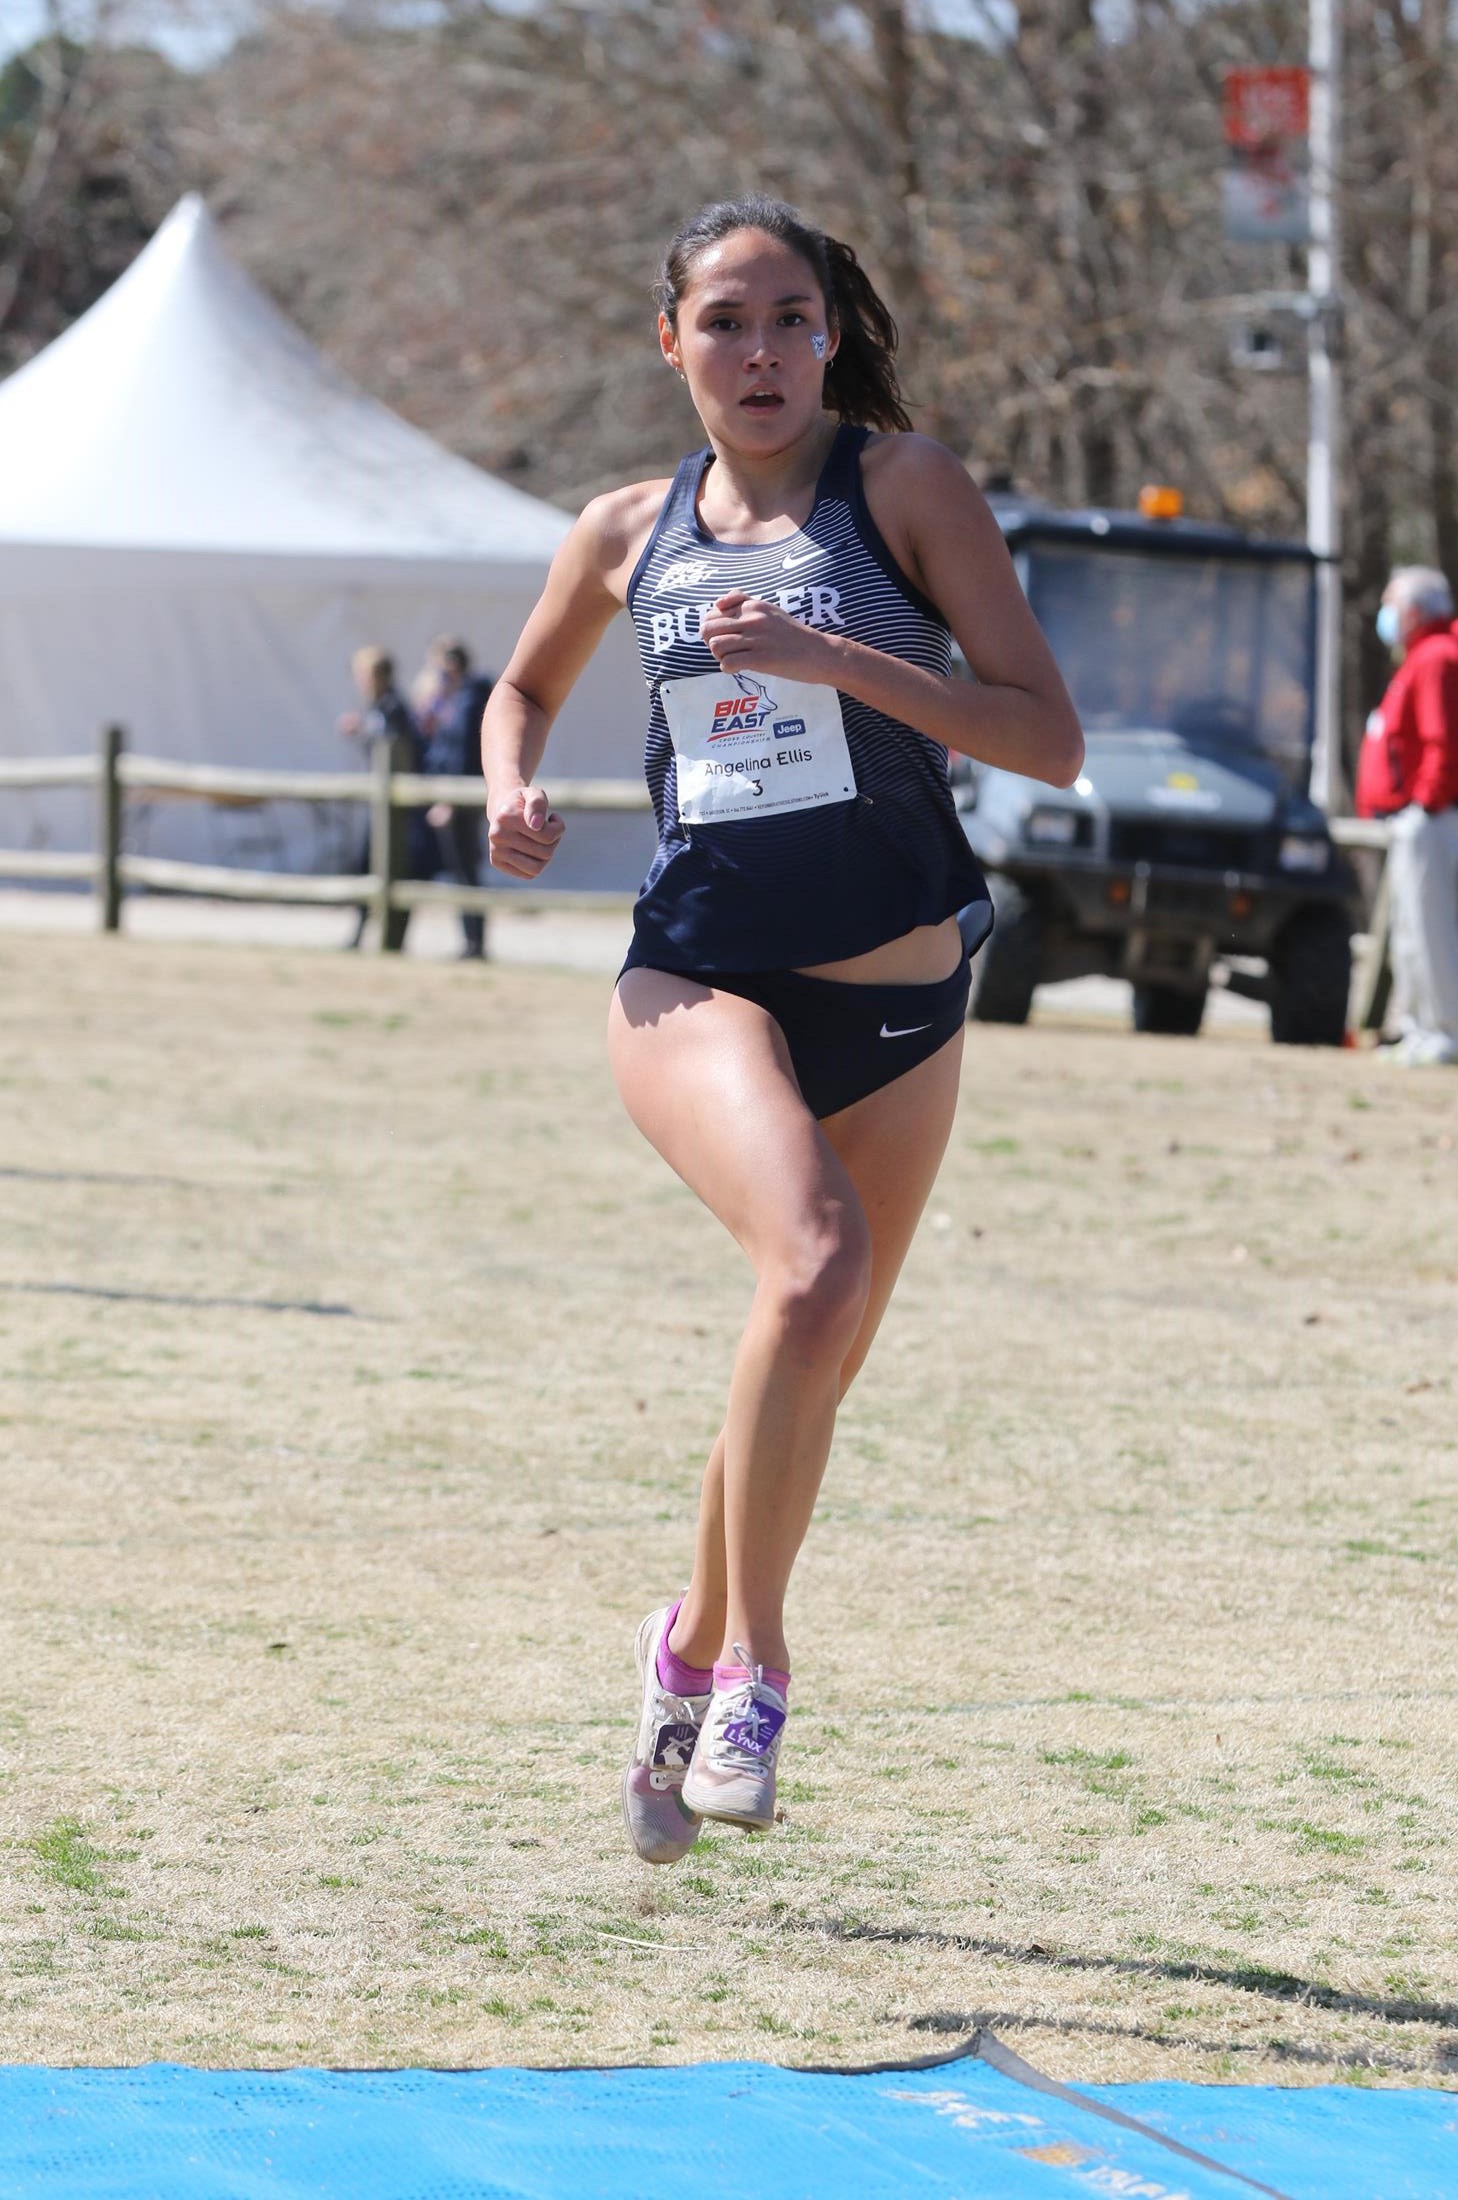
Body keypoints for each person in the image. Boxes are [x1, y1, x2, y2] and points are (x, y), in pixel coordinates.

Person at [481, 195, 1082, 1863]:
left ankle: (678, 1656)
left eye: (790, 320)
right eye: (725, 322)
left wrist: (838, 657)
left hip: (902, 1003)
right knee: (811, 1268)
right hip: (700, 979)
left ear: (831, 336)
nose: (760, 353)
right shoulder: (623, 529)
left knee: (809, 1350)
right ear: (668, 340)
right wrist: (510, 782)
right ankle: (755, 1671)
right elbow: (521, 687)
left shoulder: (905, 490)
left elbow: (1046, 738)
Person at [1358, 568, 1458, 1067]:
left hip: (1433, 819)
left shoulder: (1439, 656)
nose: (1385, 615)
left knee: (1431, 931)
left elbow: (1447, 742)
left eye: (1391, 604)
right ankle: (1422, 1029)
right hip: (1415, 818)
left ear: (1415, 611)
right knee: (1408, 933)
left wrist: (1426, 803)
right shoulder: (1423, 656)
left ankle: (1449, 1033)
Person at [338, 645, 427, 952]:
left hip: (398, 810)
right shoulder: (379, 707)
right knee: (367, 865)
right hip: (381, 805)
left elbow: (396, 749)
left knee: (392, 866)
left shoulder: (393, 708)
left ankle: (388, 937)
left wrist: (362, 731)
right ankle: (361, 932)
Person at [421, 638, 494, 960]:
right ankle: (471, 940)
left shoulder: (469, 698)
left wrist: (449, 800)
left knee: (466, 870)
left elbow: (464, 752)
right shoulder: (457, 697)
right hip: (453, 792)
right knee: (462, 870)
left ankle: (474, 942)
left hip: (460, 796)